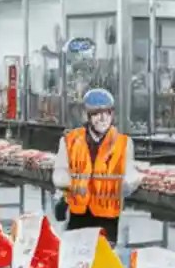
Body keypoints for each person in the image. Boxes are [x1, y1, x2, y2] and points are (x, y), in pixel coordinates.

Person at [51, 88, 141, 242]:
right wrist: (63, 187)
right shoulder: (69, 141)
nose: (103, 118)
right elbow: (60, 171)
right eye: (97, 113)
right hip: (78, 214)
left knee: (103, 255)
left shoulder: (123, 143)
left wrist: (131, 181)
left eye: (108, 112)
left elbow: (130, 171)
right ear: (86, 116)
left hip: (107, 217)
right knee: (76, 253)